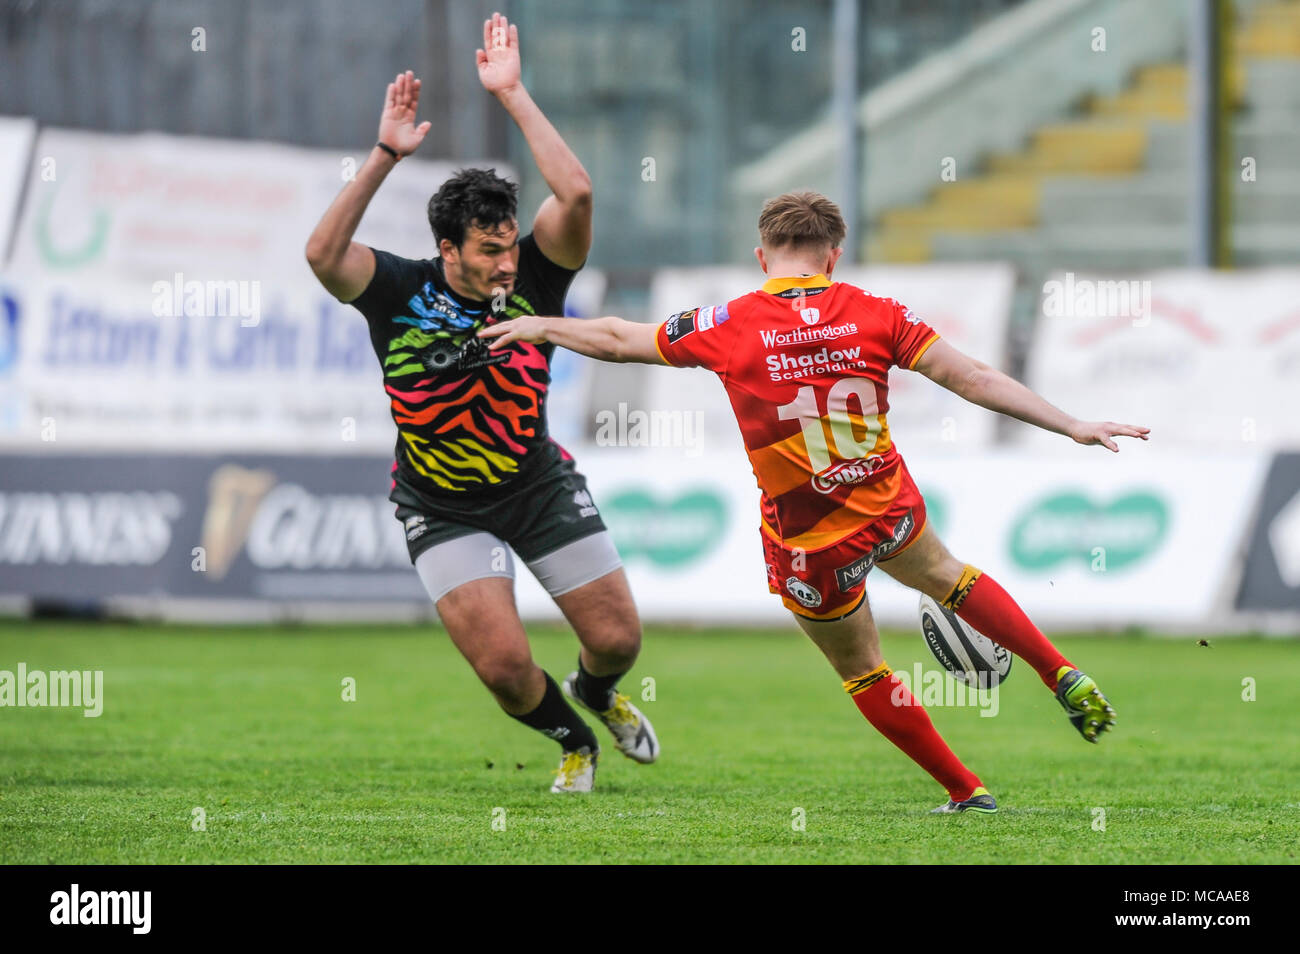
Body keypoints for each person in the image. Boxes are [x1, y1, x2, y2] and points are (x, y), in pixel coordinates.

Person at [479, 190, 1149, 814]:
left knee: (863, 668)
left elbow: (623, 340)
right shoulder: (877, 313)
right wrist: (1072, 424)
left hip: (809, 543)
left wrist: (543, 324)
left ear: (762, 256)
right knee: (949, 577)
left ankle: (965, 790)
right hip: (885, 505)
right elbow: (971, 377)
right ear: (835, 253)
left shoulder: (729, 322)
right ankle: (1058, 671)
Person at [305, 13, 657, 794]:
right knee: (502, 669)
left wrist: (514, 95)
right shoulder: (396, 289)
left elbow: (579, 191)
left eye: (509, 245)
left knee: (618, 638)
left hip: (535, 483)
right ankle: (574, 740)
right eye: (489, 250)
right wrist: (386, 155)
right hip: (440, 502)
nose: (506, 263)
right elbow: (322, 255)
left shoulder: (539, 273)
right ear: (449, 250)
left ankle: (594, 692)